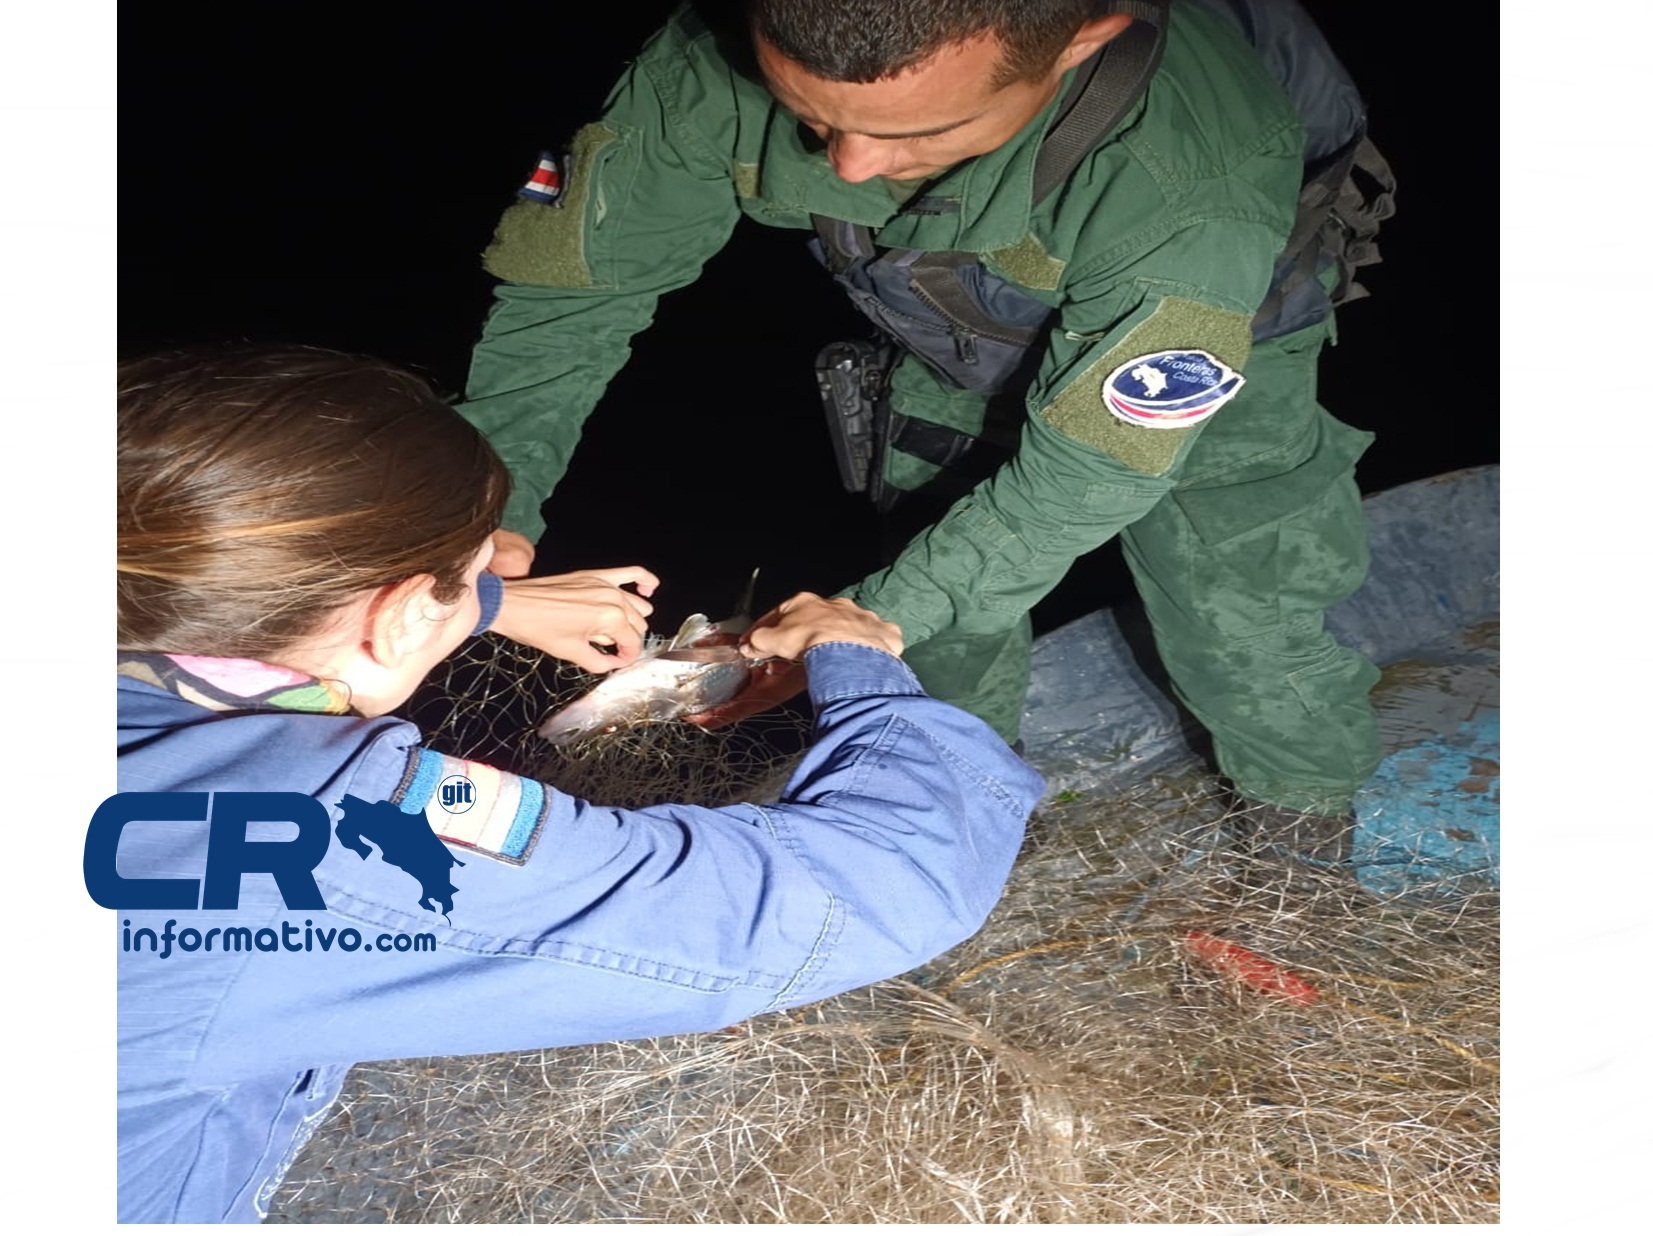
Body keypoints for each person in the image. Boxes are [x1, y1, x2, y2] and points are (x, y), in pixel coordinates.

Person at [110, 344, 1043, 1224]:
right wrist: (857, 656)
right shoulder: (316, 835)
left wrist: (485, 601)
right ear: (396, 617)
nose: (495, 574)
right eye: (474, 570)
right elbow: (880, 886)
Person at [456, 0, 1395, 869]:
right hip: (948, 328)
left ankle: (1302, 855)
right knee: (932, 604)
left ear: (1081, 41)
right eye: (810, 117)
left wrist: (875, 619)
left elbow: (1090, 473)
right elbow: (570, 305)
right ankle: (973, 825)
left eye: (918, 132)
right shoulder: (709, 56)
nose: (849, 166)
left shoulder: (1194, 174)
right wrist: (483, 504)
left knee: (1240, 621)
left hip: (1209, 346)